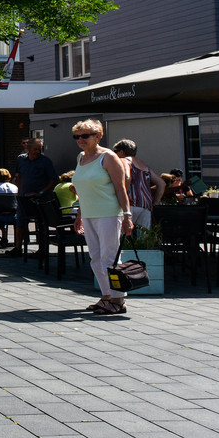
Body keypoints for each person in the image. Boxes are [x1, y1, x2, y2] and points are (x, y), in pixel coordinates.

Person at [68, 119, 135, 316]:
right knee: (95, 258)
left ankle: (118, 299)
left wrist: (127, 215)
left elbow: (121, 188)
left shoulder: (108, 157)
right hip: (89, 213)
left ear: (98, 136)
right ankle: (107, 296)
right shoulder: (81, 157)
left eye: (85, 136)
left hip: (108, 213)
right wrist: (80, 213)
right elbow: (83, 189)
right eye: (77, 136)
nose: (80, 139)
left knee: (110, 258)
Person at [10, 139, 57, 255]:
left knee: (41, 223)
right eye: (35, 149)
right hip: (24, 197)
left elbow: (54, 180)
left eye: (39, 149)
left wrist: (41, 192)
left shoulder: (45, 161)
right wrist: (19, 193)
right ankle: (17, 248)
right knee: (20, 222)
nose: (37, 152)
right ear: (28, 149)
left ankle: (42, 249)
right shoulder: (21, 159)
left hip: (40, 198)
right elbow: (19, 175)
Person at [110, 139, 155, 230]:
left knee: (124, 234)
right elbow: (161, 183)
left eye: (116, 151)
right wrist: (156, 201)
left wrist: (123, 195)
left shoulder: (124, 160)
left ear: (121, 152)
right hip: (145, 204)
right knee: (143, 236)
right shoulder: (143, 165)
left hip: (131, 203)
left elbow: (127, 177)